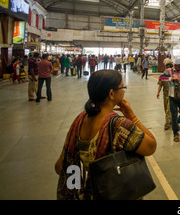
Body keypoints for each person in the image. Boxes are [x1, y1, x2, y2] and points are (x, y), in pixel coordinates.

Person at [55, 70, 157, 199]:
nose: (124, 91)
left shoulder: (80, 120)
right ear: (111, 93)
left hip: (92, 193)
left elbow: (59, 166)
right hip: (116, 193)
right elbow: (151, 146)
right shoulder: (119, 125)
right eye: (122, 87)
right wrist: (132, 116)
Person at [164, 58, 180, 142]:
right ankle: (175, 133)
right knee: (174, 115)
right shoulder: (169, 71)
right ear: (175, 65)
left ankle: (176, 123)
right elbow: (161, 78)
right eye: (178, 66)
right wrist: (172, 79)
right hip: (173, 96)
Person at [157, 59, 173, 130]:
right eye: (166, 66)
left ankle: (167, 124)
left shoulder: (174, 75)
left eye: (169, 66)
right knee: (166, 109)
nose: (168, 68)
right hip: (165, 94)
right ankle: (170, 120)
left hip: (172, 95)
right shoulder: (163, 76)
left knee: (168, 110)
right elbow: (160, 85)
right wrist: (158, 92)